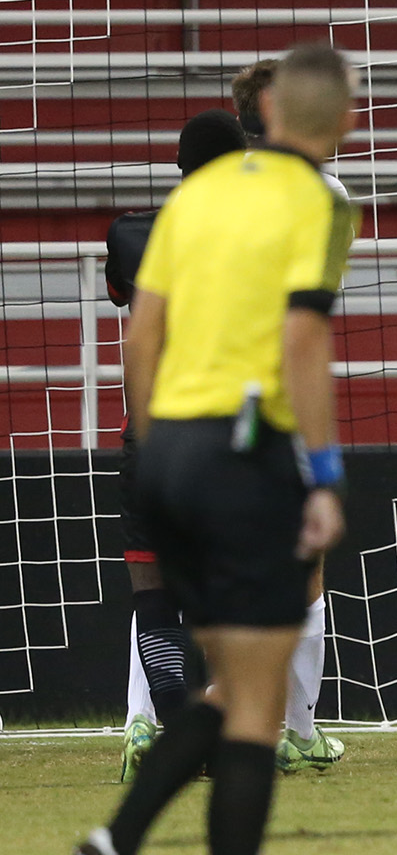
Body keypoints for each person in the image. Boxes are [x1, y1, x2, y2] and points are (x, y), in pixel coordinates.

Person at [75, 42, 359, 855]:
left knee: (229, 682)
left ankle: (114, 839)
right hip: (245, 454)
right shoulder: (321, 204)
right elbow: (303, 340)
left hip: (163, 453)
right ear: (341, 119)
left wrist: (156, 447)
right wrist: (326, 474)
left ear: (266, 112)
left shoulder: (189, 203)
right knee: (253, 698)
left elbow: (141, 339)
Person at [110, 110, 248, 783]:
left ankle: (176, 735)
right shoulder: (260, 239)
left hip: (150, 438)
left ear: (180, 170)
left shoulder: (134, 235)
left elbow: (123, 302)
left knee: (154, 599)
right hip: (225, 437)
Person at [228, 57, 350, 774]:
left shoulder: (208, 191)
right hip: (273, 403)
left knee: (225, 574)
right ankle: (282, 722)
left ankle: (238, 722)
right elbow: (305, 327)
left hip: (198, 408)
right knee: (303, 568)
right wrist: (326, 459)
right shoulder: (325, 197)